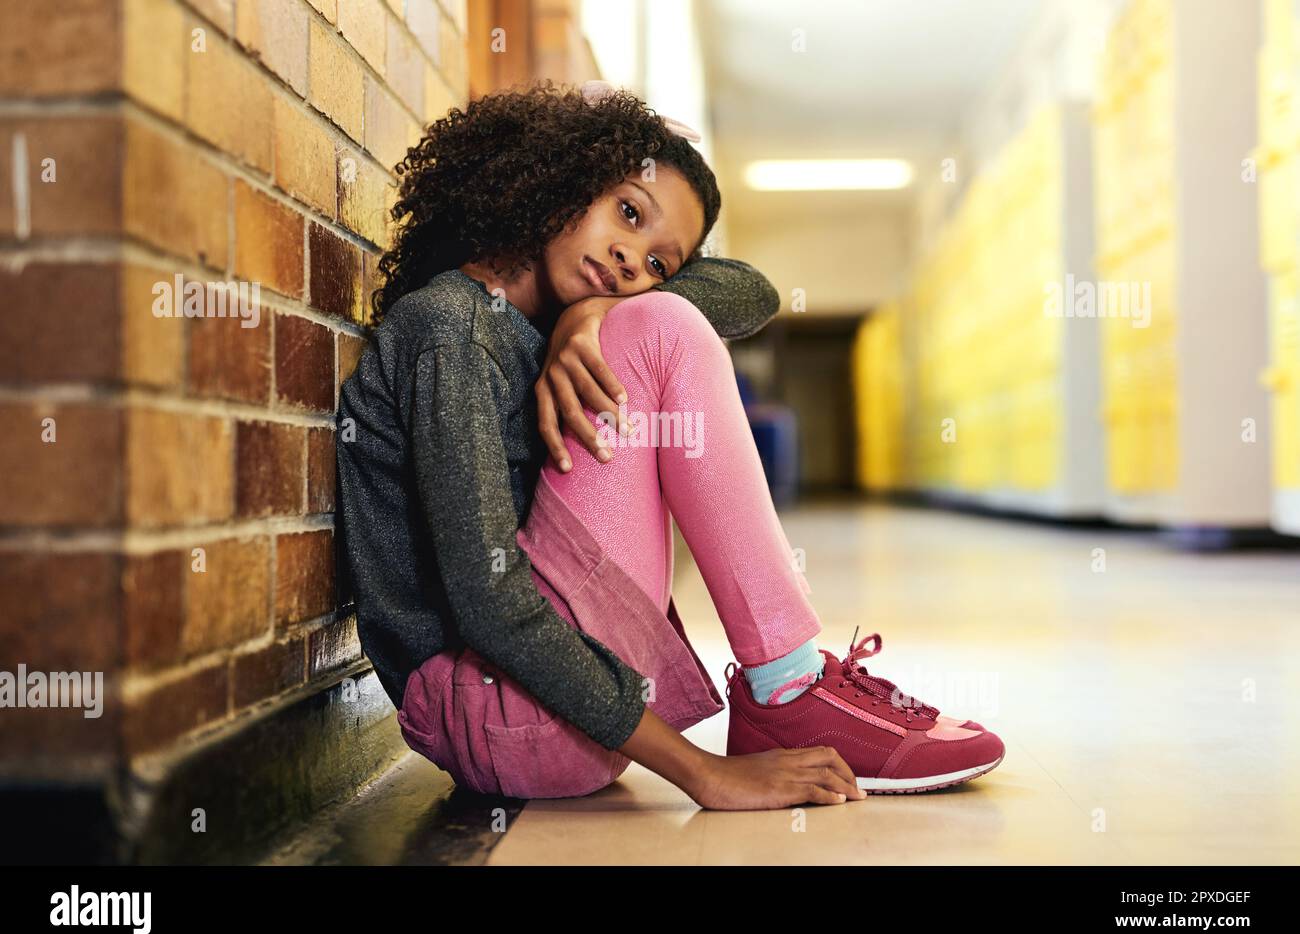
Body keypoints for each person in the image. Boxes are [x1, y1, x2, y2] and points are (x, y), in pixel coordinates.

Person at [335, 80, 1003, 811]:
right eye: (627, 211)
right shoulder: (450, 332)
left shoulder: (549, 321)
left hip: (561, 718)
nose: (631, 260)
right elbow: (488, 603)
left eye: (660, 261)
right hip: (496, 713)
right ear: (564, 176)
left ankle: (789, 683)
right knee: (661, 328)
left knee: (655, 322)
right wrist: (698, 770)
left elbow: (751, 292)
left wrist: (590, 309)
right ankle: (788, 687)